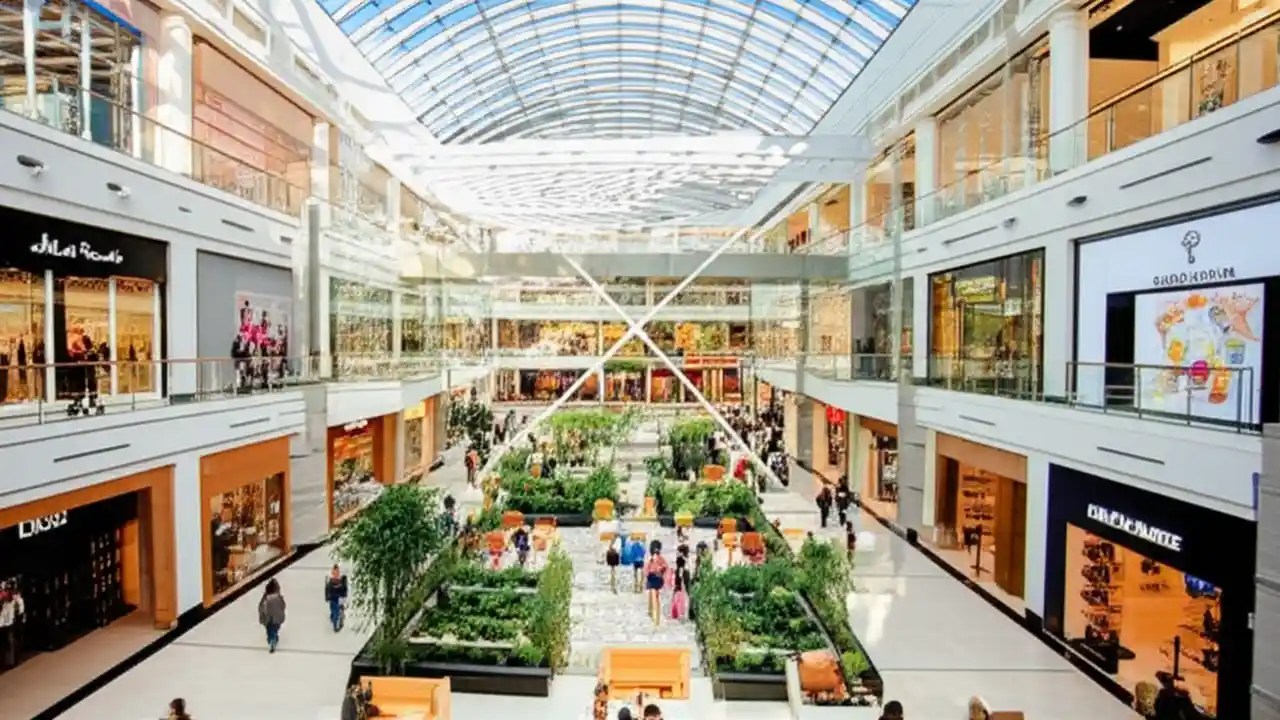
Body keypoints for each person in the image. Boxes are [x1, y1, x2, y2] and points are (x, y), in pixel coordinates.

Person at [643, 541, 669, 625]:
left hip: (655, 578)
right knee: (655, 597)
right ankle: (654, 616)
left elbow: (647, 569)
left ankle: (655, 618)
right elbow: (647, 569)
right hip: (654, 578)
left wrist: (658, 570)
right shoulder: (656, 558)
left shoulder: (658, 559)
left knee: (655, 597)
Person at [258, 578, 286, 653]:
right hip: (277, 618)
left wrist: (262, 617)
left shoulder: (265, 598)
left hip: (269, 619)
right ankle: (273, 639)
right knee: (274, 629)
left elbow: (261, 608)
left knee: (270, 631)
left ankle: (272, 640)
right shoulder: (279, 597)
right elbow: (283, 605)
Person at [324, 564, 348, 632]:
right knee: (334, 611)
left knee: (338, 611)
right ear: (332, 572)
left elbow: (344, 590)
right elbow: (327, 589)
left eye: (337, 572)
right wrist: (327, 597)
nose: (336, 573)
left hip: (339, 598)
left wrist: (344, 597)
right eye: (334, 572)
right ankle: (335, 620)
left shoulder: (341, 580)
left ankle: (336, 624)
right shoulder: (330, 581)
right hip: (333, 598)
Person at [669, 556, 690, 622]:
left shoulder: (676, 571)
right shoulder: (686, 572)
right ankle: (682, 615)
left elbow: (676, 581)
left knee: (677, 603)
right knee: (682, 604)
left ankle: (679, 615)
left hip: (678, 590)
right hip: (682, 590)